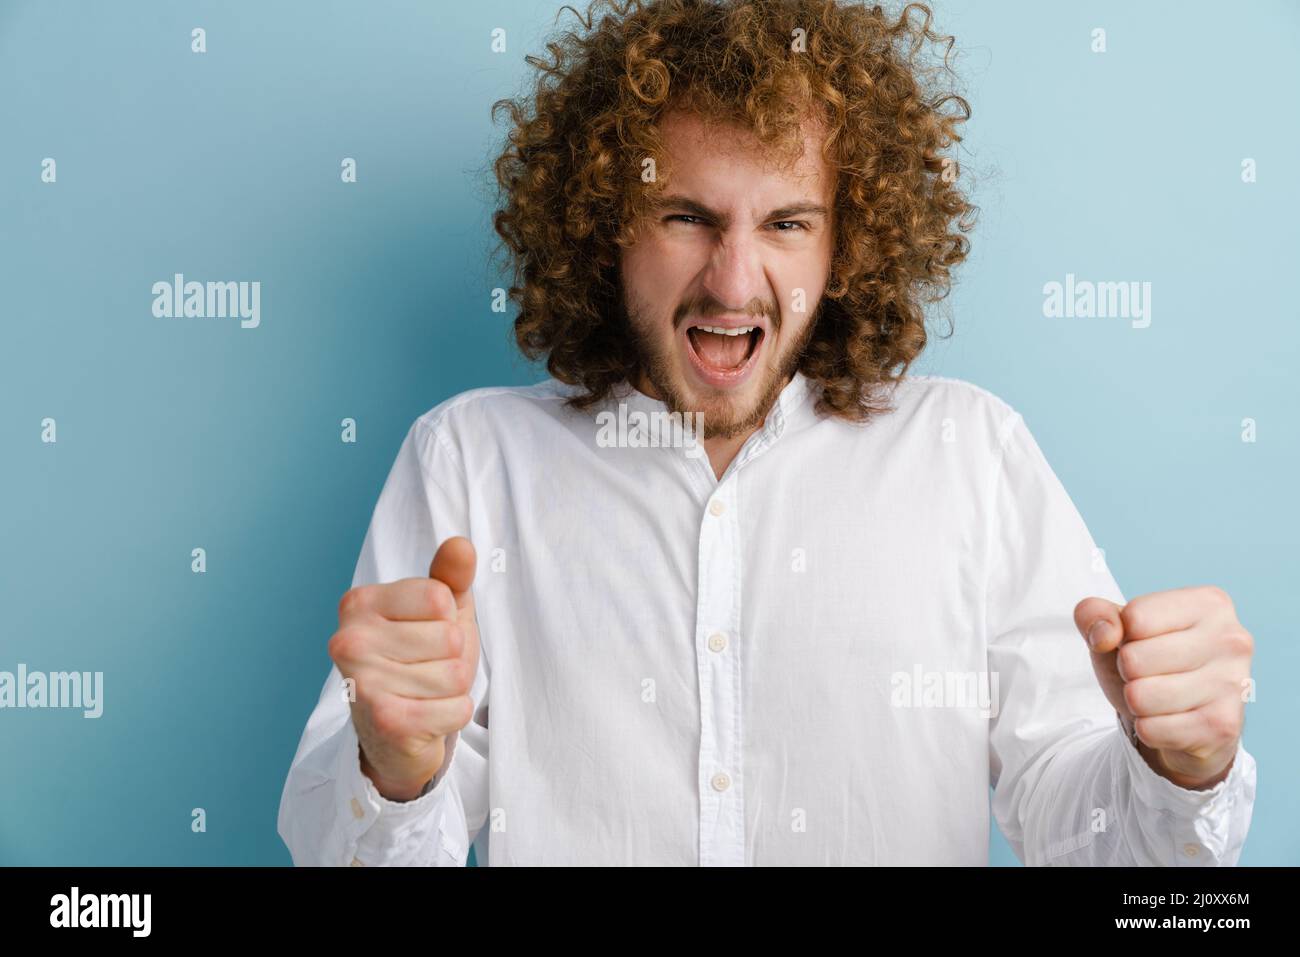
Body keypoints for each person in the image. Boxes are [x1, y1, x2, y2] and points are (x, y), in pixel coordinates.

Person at [277, 0, 1256, 866]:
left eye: (787, 225)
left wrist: (1181, 771)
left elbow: (1102, 859)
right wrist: (396, 770)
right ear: (608, 225)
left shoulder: (971, 454)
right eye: (685, 217)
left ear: (847, 245)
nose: (734, 282)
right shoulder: (469, 463)